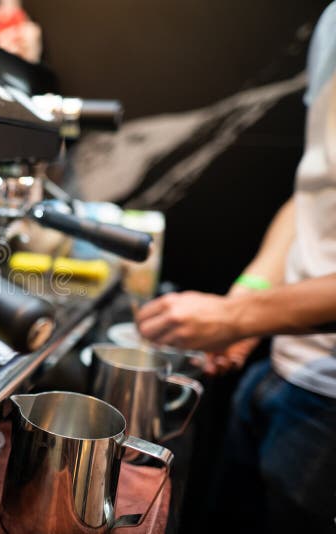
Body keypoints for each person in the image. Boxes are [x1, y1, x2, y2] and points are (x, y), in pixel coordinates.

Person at [136, 4, 336, 532]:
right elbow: (314, 195)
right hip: (281, 363)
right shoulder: (332, 22)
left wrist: (245, 317)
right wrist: (248, 300)